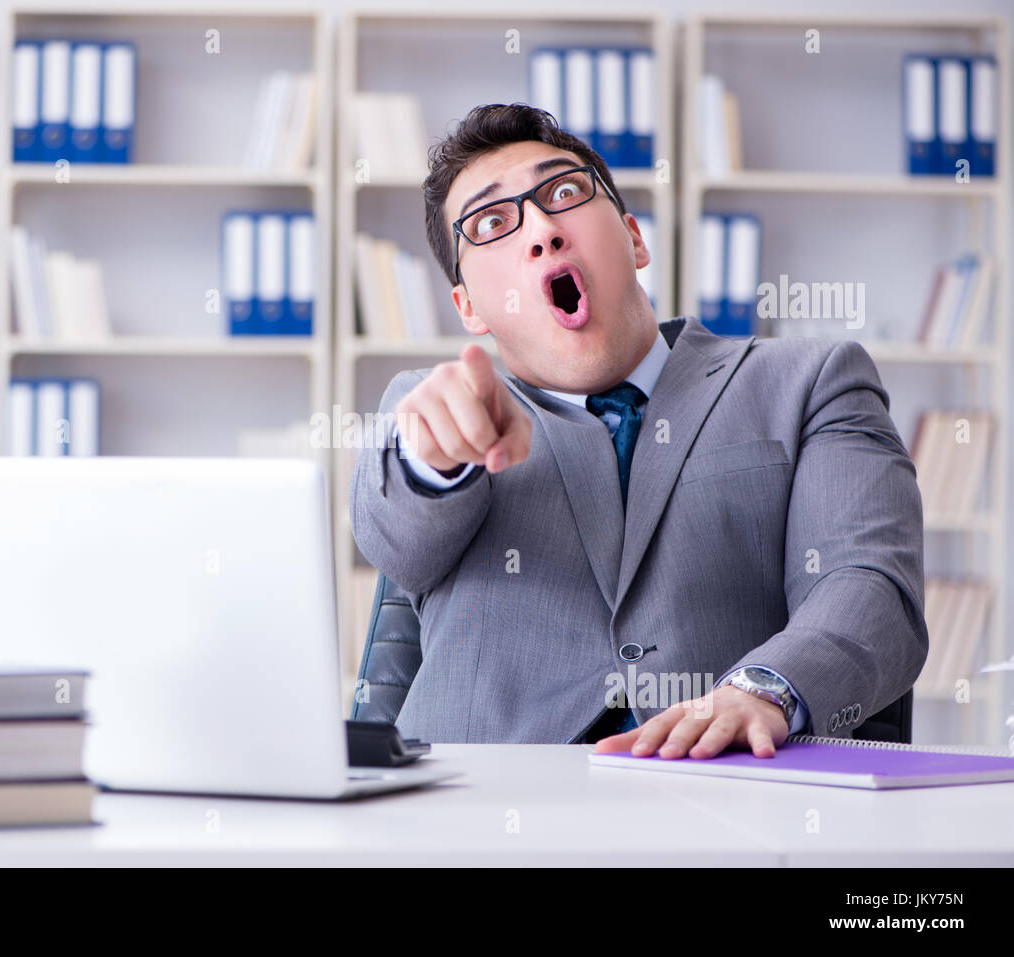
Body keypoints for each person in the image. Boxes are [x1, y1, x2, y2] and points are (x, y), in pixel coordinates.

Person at [349, 103, 927, 758]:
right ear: (468, 306)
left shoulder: (810, 380)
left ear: (633, 238)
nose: (540, 229)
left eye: (563, 192)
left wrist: (765, 690)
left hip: (726, 795)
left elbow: (868, 585)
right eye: (490, 222)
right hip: (475, 813)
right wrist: (437, 457)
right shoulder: (430, 410)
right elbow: (394, 536)